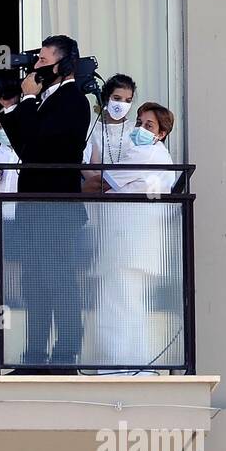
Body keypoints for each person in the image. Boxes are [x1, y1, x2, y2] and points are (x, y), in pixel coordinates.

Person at [0, 34, 93, 370]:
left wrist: (24, 102)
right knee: (34, 284)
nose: (35, 66)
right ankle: (34, 355)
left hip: (57, 207)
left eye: (42, 60)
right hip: (34, 207)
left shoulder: (73, 100)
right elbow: (26, 146)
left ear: (63, 64)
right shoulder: (40, 102)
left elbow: (37, 149)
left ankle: (66, 355)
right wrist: (15, 105)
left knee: (60, 281)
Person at [93, 102, 182, 374]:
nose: (141, 129)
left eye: (149, 126)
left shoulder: (149, 154)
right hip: (131, 245)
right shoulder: (150, 154)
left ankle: (122, 369)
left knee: (121, 308)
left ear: (162, 133)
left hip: (130, 244)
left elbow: (102, 182)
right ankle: (132, 367)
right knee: (128, 308)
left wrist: (94, 178)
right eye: (139, 123)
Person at [81, 74, 137, 194]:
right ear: (106, 98)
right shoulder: (91, 129)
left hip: (130, 196)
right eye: (117, 98)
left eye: (128, 100)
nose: (122, 104)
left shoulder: (135, 130)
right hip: (97, 196)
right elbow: (85, 166)